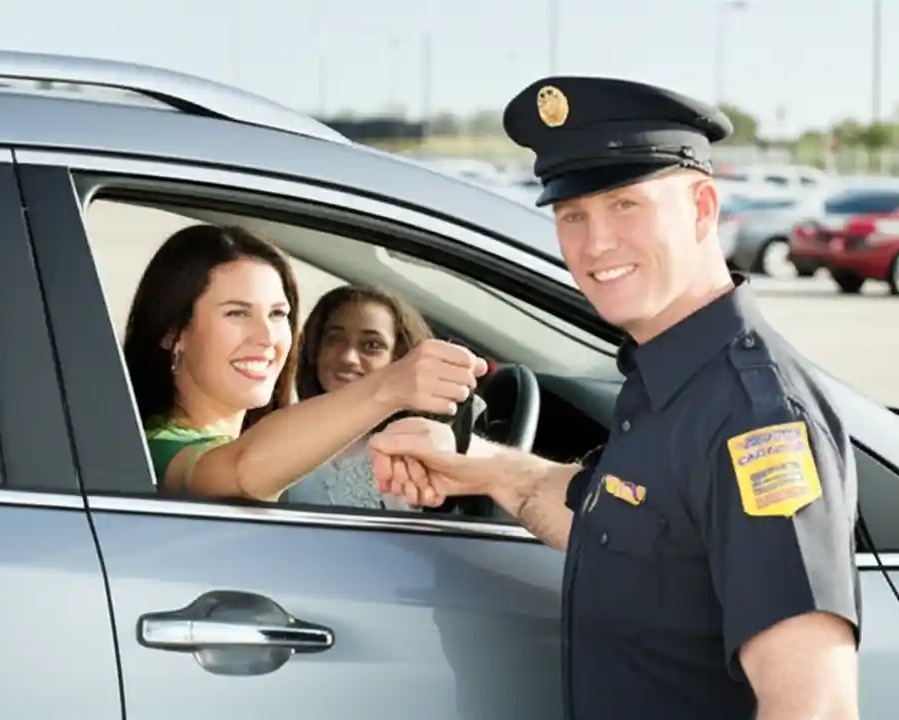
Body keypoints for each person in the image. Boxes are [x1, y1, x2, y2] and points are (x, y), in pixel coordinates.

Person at [369, 77, 860, 719]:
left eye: (625, 205)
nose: (595, 244)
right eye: (573, 214)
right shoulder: (669, 381)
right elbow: (612, 527)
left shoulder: (754, 418)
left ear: (702, 209)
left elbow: (813, 707)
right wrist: (481, 466)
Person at [124, 223, 483, 502]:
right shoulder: (156, 450)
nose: (267, 338)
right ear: (174, 332)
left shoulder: (255, 440)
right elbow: (243, 470)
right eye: (237, 313)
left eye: (279, 314)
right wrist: (391, 386)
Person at [282, 284, 437, 509]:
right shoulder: (282, 430)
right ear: (316, 349)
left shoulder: (416, 443)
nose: (349, 357)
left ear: (400, 358)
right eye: (335, 339)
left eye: (371, 345)